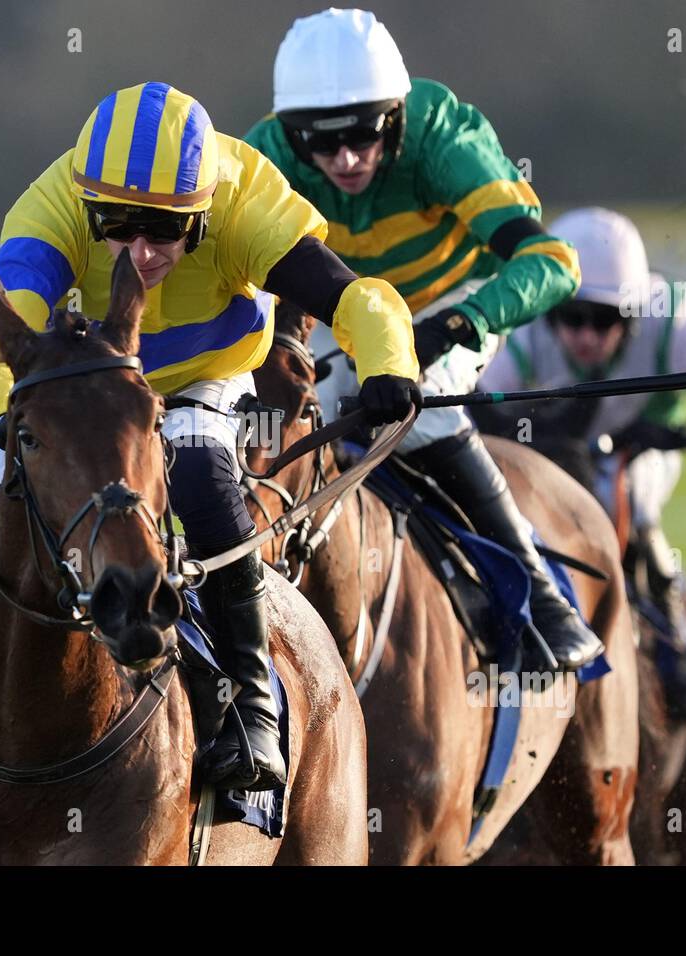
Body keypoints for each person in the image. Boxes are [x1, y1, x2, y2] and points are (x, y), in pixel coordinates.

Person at [0, 82, 422, 790]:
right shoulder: (51, 206)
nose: (140, 253)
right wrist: (5, 417)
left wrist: (390, 364)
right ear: (88, 205)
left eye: (165, 230)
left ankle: (252, 699)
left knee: (206, 491)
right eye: (117, 225)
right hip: (84, 391)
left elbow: (356, 298)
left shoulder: (248, 200)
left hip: (201, 380)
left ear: (205, 216)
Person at [245, 8, 600, 669]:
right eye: (320, 144)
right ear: (289, 135)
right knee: (273, 408)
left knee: (416, 403)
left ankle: (537, 593)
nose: (345, 160)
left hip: (452, 302)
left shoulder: (440, 140)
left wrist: (455, 325)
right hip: (342, 312)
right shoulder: (262, 156)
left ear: (397, 117)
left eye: (362, 135)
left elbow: (553, 262)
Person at [477, 206, 686, 721]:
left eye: (607, 319)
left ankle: (671, 632)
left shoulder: (678, 323)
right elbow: (480, 419)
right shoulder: (523, 327)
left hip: (637, 454)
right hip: (549, 451)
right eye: (570, 317)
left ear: (638, 313)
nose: (586, 336)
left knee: (630, 495)